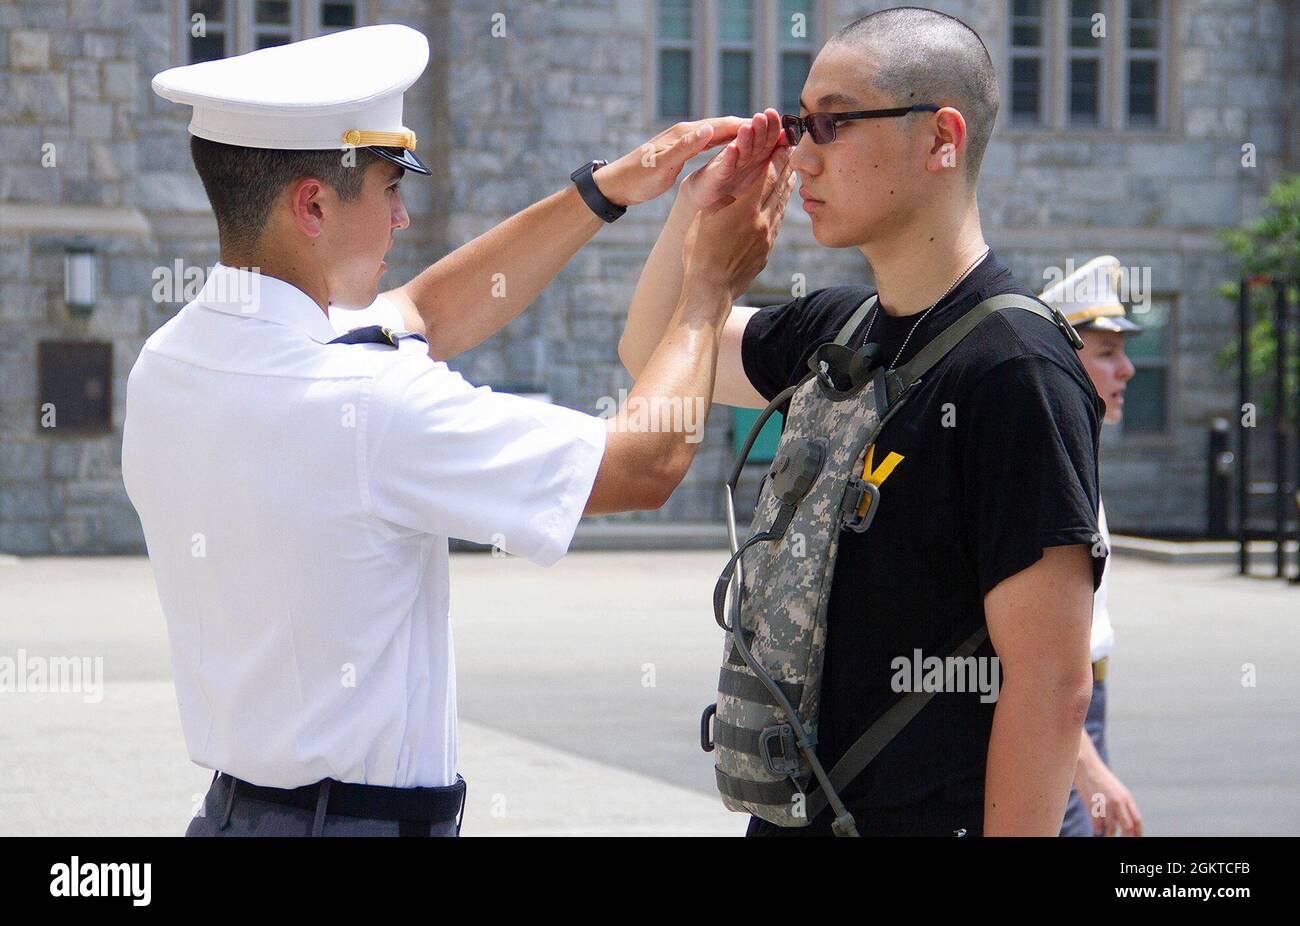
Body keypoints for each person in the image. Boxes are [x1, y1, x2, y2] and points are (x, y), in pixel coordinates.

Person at [122, 24, 792, 836]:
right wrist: (706, 285)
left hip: (235, 815)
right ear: (312, 205)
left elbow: (428, 309)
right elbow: (644, 464)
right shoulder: (368, 403)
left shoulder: (171, 361)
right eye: (388, 188)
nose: (402, 219)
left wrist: (606, 191)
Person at [620, 8, 1106, 836]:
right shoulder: (835, 329)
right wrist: (701, 210)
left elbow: (1052, 684)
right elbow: (654, 351)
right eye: (801, 122)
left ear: (941, 138)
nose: (802, 154)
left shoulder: (1015, 367)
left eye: (833, 123)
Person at [1040, 255, 1145, 837]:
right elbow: (1028, 652)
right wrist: (1089, 768)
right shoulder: (1052, 462)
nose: (1127, 369)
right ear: (1063, 359)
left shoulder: (1077, 447)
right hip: (1059, 713)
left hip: (1081, 707)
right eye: (1106, 353)